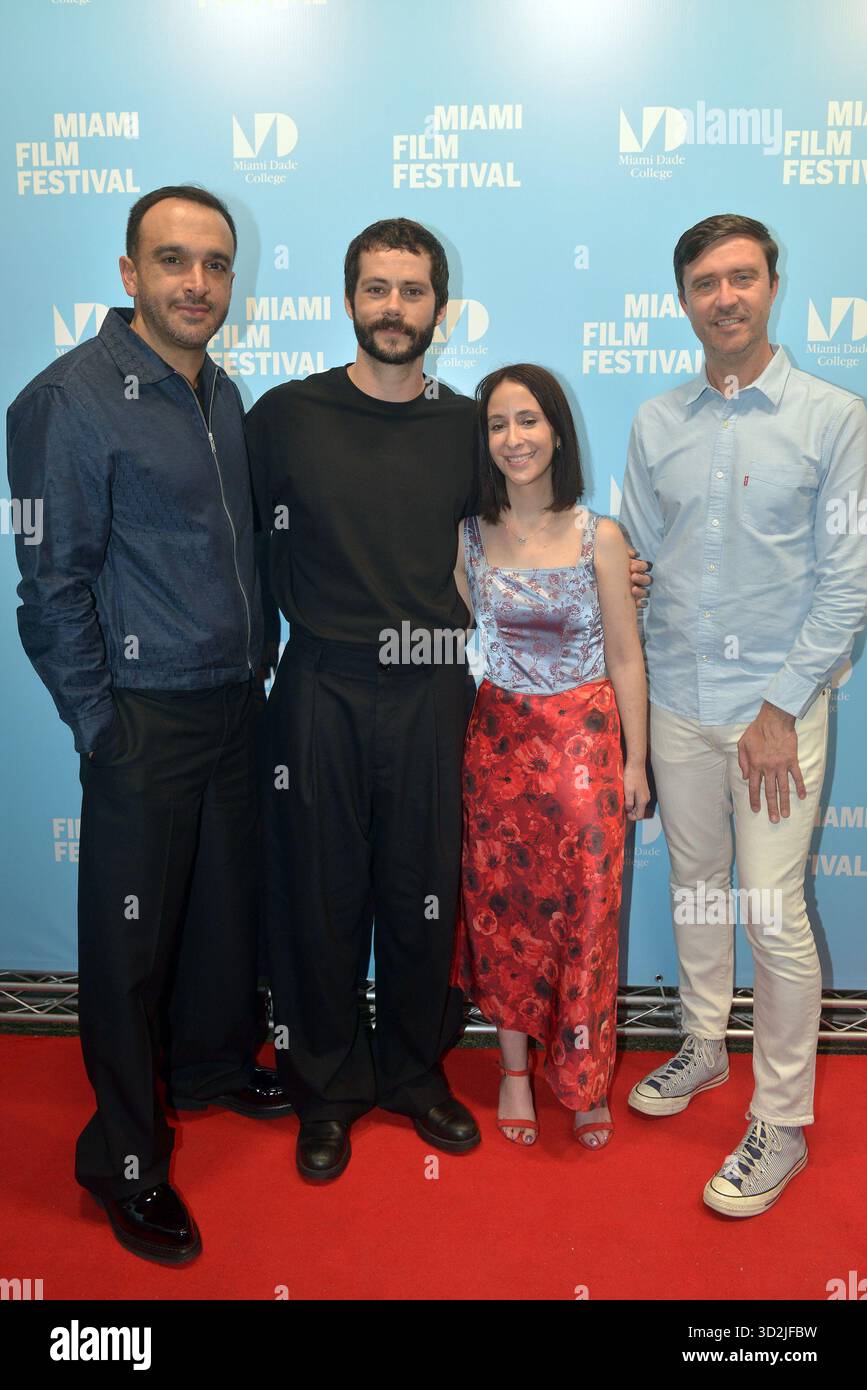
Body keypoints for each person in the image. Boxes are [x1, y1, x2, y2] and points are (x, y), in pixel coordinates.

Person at [6, 186, 292, 1265]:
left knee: (223, 915)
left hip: (232, 705)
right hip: (144, 721)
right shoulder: (67, 401)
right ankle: (122, 1160)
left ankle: (212, 1069)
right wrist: (101, 724)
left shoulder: (218, 392)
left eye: (216, 265)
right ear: (130, 273)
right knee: (127, 952)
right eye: (174, 262)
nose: (198, 283)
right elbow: (50, 588)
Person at [619, 213, 867, 1216]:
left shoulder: (834, 418)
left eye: (743, 278)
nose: (725, 297)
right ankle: (704, 1045)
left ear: (773, 284)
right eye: (705, 283)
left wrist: (781, 701)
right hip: (678, 701)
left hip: (777, 711)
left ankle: (784, 1117)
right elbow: (630, 560)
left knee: (771, 910)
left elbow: (849, 585)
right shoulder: (654, 423)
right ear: (682, 300)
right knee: (696, 886)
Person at [246, 218, 482, 1181]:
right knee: (320, 896)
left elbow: (520, 549)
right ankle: (326, 1086)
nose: (394, 308)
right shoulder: (283, 416)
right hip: (320, 685)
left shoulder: (470, 425)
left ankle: (417, 1074)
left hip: (433, 685)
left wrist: (608, 573)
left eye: (412, 290)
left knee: (425, 896)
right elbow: (242, 553)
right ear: (348, 300)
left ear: (439, 307)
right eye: (376, 289)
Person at [451, 364, 649, 1149]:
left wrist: (633, 764)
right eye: (497, 424)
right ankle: (510, 1070)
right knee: (502, 915)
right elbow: (459, 626)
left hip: (586, 752)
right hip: (495, 748)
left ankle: (583, 1075)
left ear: (556, 431)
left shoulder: (599, 535)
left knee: (587, 920)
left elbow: (627, 658)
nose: (513, 439)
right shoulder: (465, 537)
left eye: (527, 420)